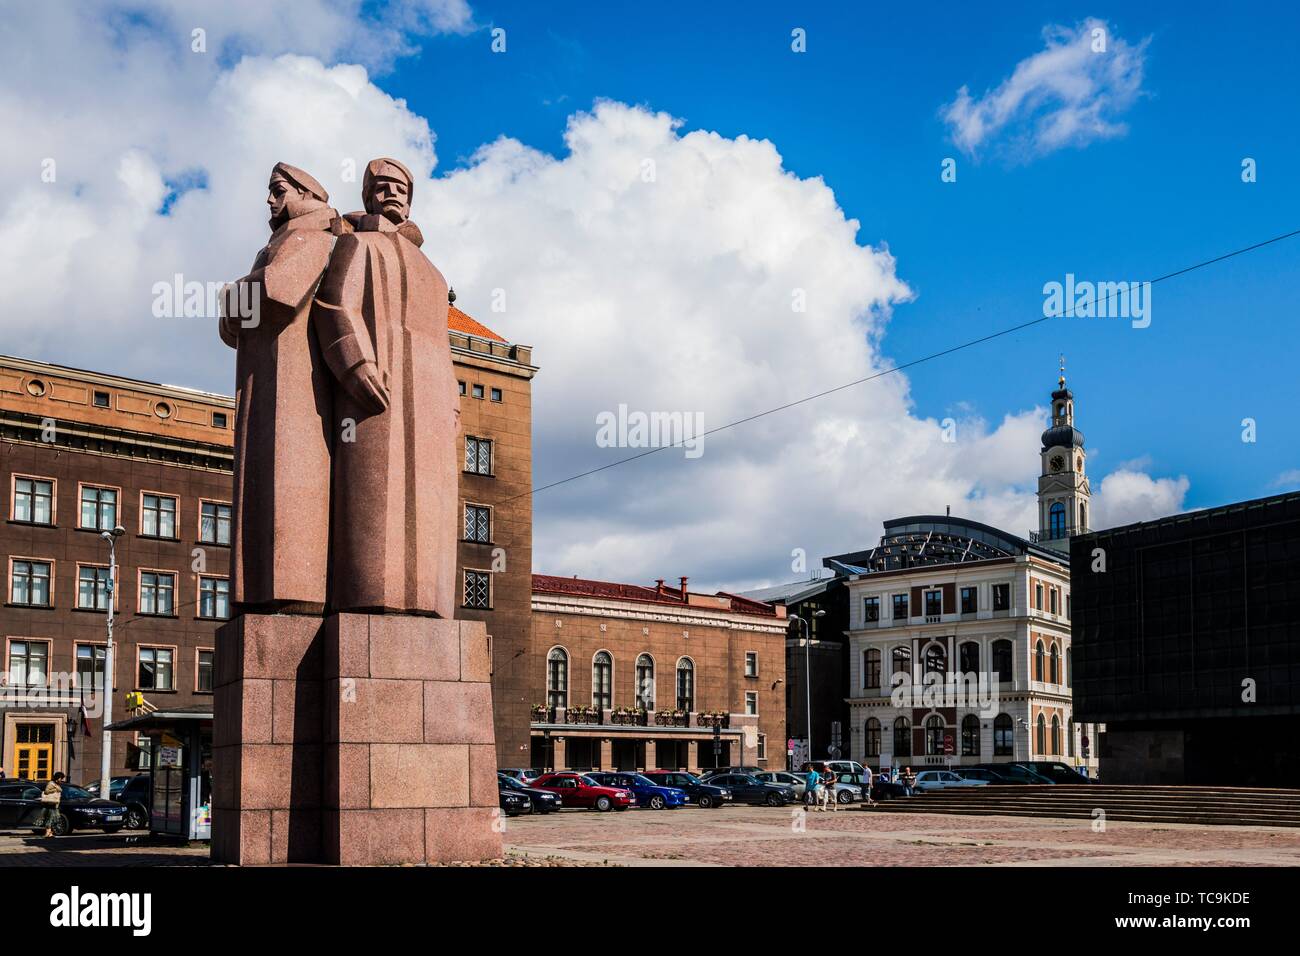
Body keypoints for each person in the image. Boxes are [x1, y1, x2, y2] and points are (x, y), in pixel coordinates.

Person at [38, 772, 65, 838]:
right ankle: (48, 833)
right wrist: (55, 789)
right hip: (50, 804)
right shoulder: (51, 783)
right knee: (50, 818)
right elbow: (46, 791)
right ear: (58, 777)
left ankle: (49, 833)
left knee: (53, 819)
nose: (61, 779)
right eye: (61, 778)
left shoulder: (56, 784)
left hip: (54, 804)